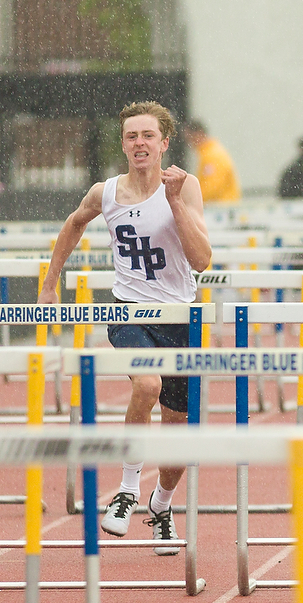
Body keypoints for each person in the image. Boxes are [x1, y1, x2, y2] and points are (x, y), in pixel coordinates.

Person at [38, 101, 211, 554]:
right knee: (147, 385)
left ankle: (162, 505)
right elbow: (73, 224)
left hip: (179, 317)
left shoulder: (186, 186)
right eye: (132, 136)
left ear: (164, 143)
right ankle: (128, 489)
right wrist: (50, 283)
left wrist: (174, 202)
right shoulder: (106, 192)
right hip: (129, 311)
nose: (139, 143)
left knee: (178, 430)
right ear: (123, 144)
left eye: (148, 135)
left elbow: (201, 260)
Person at [185, 119, 241, 203]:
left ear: (198, 134)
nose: (189, 143)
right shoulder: (209, 153)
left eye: (190, 138)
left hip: (220, 208)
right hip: (221, 206)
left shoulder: (212, 156)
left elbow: (211, 188)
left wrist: (191, 200)